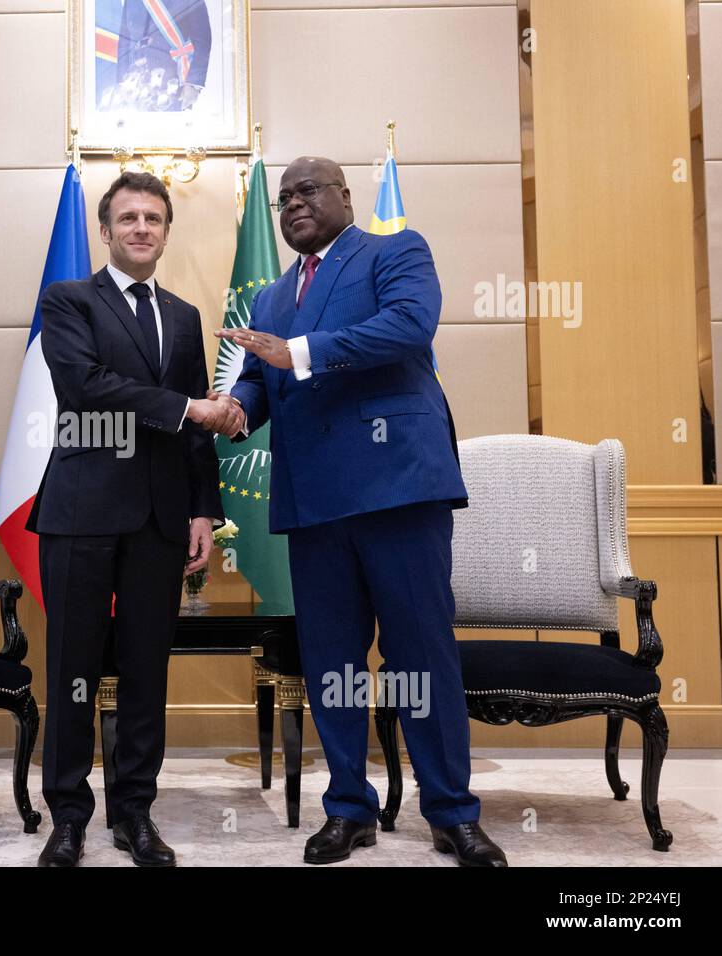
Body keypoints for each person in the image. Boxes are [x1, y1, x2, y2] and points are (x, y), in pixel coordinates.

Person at [216, 156, 508, 867]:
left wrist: (301, 352)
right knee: (332, 664)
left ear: (346, 196)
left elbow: (409, 327)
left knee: (421, 656)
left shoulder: (394, 252)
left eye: (306, 191)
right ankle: (349, 809)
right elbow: (260, 378)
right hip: (314, 503)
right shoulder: (272, 297)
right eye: (282, 198)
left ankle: (450, 812)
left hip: (397, 487)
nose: (292, 205)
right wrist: (232, 410)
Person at [27, 171, 239, 867]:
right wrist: (187, 409)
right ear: (106, 229)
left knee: (148, 670)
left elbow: (196, 432)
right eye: (128, 218)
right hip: (81, 513)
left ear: (166, 230)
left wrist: (205, 509)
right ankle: (67, 815)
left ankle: (135, 815)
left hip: (159, 517)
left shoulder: (182, 315)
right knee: (73, 671)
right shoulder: (68, 301)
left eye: (153, 217)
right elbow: (85, 389)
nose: (141, 228)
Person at [113, 0, 212, 112]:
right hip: (136, 84)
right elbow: (124, 41)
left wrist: (193, 84)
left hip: (172, 84)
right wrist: (121, 81)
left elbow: (202, 40)